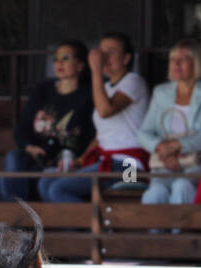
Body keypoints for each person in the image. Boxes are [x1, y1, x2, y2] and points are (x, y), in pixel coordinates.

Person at [43, 32, 149, 203]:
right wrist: (79, 160)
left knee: (59, 189)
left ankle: (92, 228)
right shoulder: (105, 86)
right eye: (102, 51)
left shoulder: (134, 80)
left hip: (131, 165)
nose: (104, 57)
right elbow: (101, 136)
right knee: (46, 183)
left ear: (126, 58)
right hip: (106, 160)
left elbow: (105, 111)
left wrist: (96, 71)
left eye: (112, 52)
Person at [0, 40, 94, 201]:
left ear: (80, 65)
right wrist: (30, 147)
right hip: (38, 157)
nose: (59, 63)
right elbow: (22, 128)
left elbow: (93, 134)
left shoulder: (89, 94)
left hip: (67, 161)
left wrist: (76, 159)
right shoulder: (43, 89)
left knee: (47, 181)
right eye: (56, 59)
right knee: (13, 157)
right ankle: (15, 216)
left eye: (65, 58)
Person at [136, 38, 201, 205]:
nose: (176, 64)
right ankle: (153, 232)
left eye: (183, 59)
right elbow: (143, 133)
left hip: (196, 163)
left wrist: (178, 145)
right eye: (172, 59)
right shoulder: (161, 92)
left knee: (182, 187)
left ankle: (181, 232)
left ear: (196, 63)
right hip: (164, 163)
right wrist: (162, 149)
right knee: (155, 193)